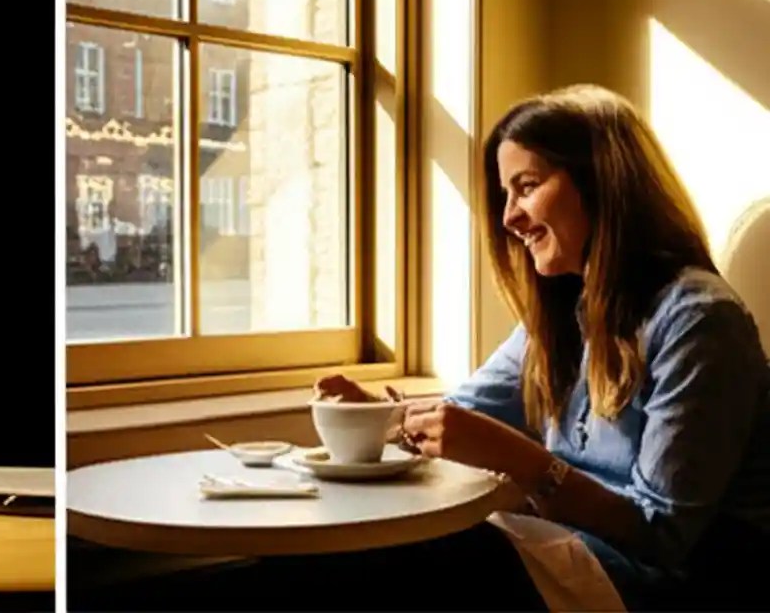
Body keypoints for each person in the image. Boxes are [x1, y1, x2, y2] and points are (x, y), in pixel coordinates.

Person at [317, 83, 770, 609]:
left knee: (421, 560)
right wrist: (373, 417)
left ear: (603, 183)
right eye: (506, 195)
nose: (509, 218)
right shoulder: (558, 318)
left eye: (526, 187)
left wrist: (526, 462)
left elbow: (662, 537)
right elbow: (459, 418)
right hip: (576, 550)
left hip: (683, 581)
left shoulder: (700, 320)